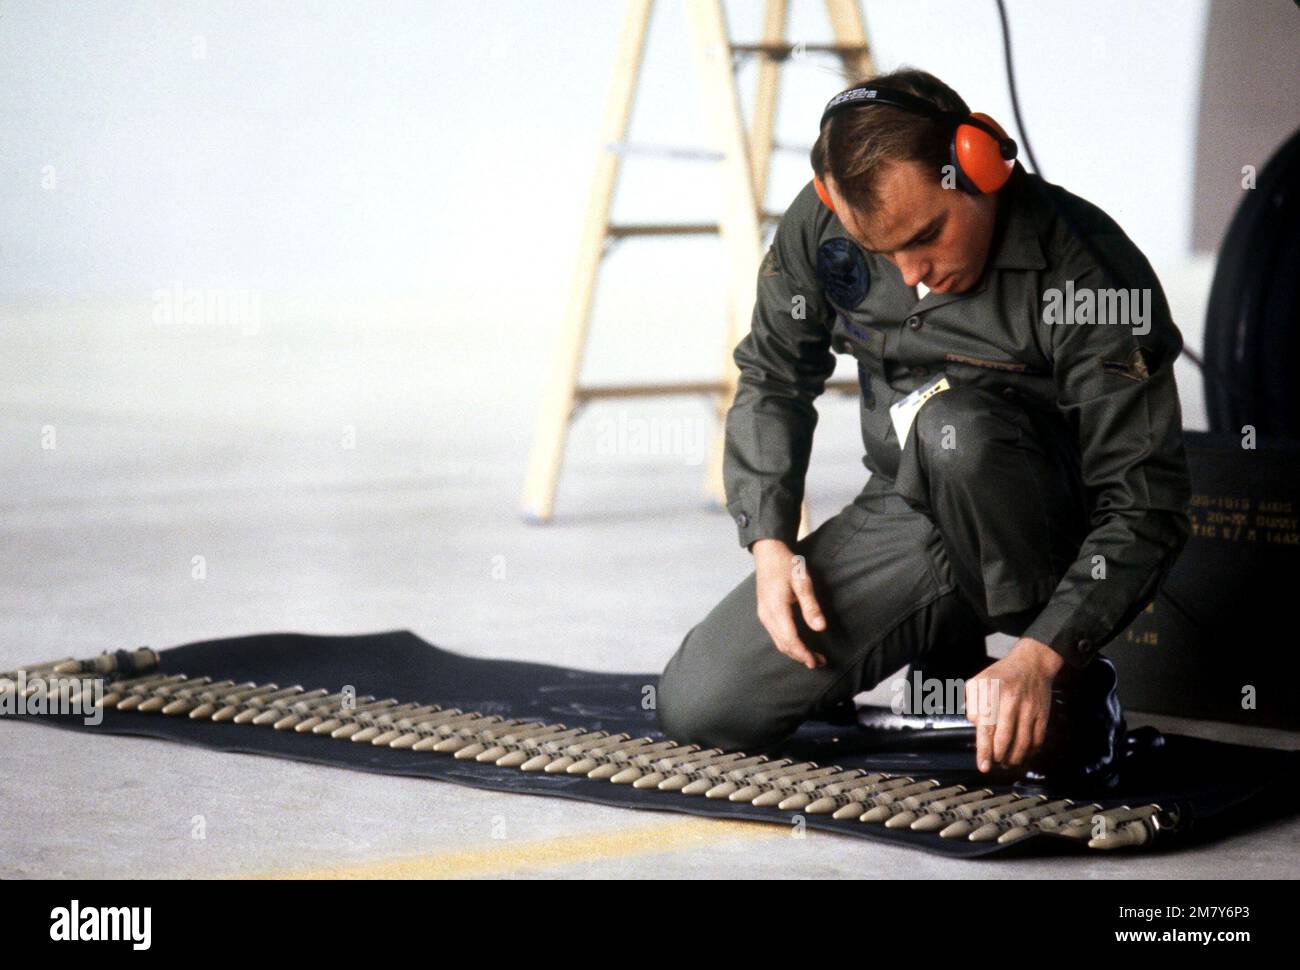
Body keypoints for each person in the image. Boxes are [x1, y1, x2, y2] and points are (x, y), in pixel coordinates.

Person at [656, 68, 1192, 785]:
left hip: (1054, 528)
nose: (913, 272)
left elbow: (1144, 501)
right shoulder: (823, 228)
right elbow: (774, 378)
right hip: (910, 510)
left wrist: (1043, 656)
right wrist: (770, 544)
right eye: (884, 253)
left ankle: (1067, 686)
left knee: (954, 431)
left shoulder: (1090, 277)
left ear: (979, 166)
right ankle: (951, 655)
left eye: (928, 235)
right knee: (701, 707)